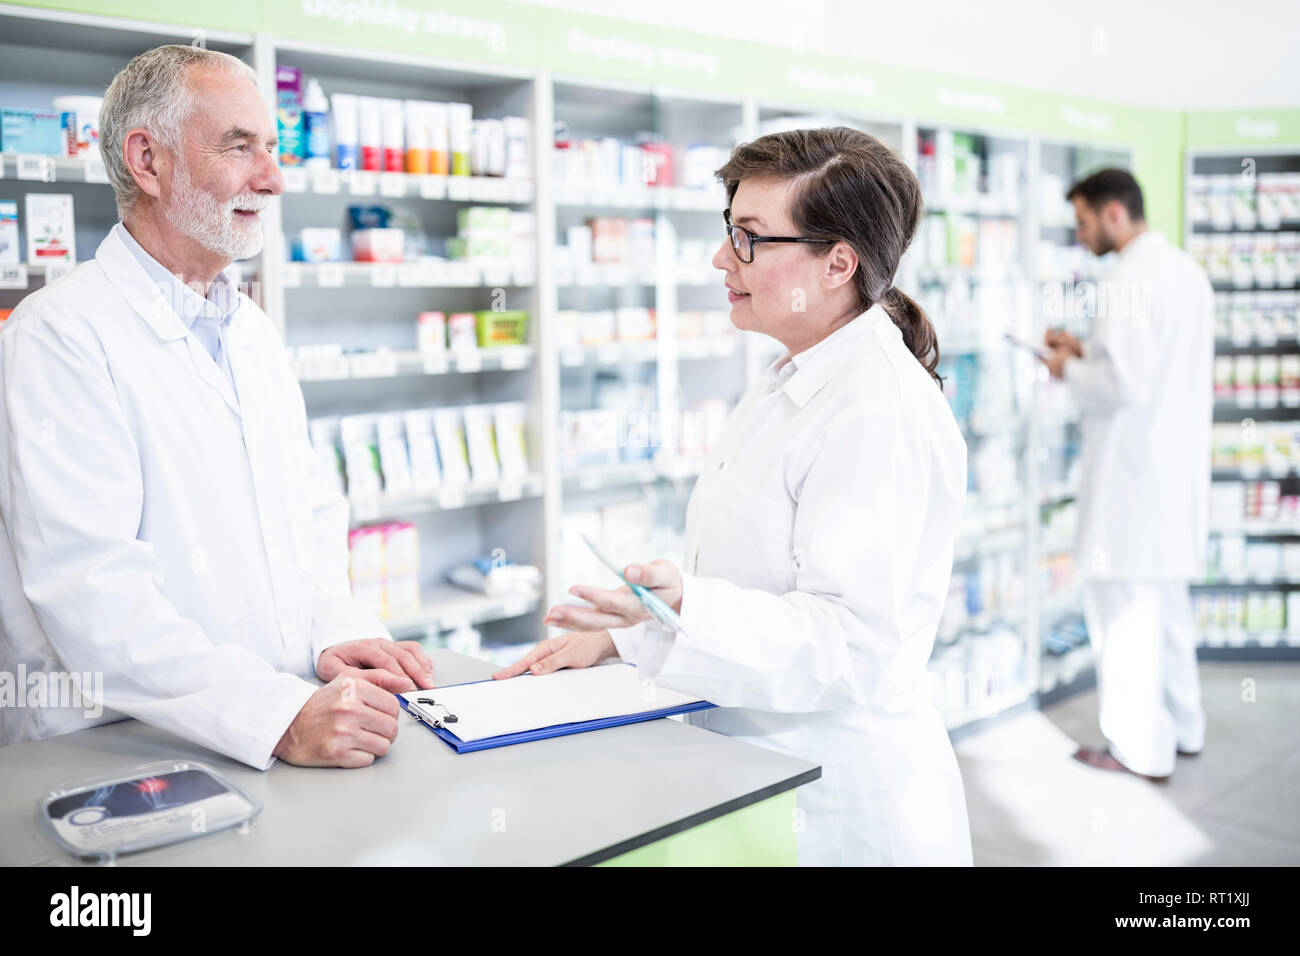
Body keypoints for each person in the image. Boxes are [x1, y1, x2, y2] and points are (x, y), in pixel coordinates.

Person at [496, 128, 972, 866]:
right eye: (729, 231)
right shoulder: (793, 373)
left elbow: (847, 646)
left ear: (837, 263)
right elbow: (758, 586)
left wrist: (681, 609)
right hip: (765, 774)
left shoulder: (878, 409)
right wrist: (630, 638)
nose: (723, 258)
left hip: (842, 805)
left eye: (749, 238)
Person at [0, 45, 434, 770]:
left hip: (269, 728)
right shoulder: (59, 336)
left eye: (272, 148)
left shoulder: (251, 330)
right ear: (148, 160)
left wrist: (335, 631)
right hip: (116, 753)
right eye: (240, 147)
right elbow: (91, 590)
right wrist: (275, 718)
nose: (272, 178)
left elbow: (312, 516)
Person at [1041, 168, 1213, 782]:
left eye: (1083, 221)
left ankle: (1139, 749)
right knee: (1166, 611)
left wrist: (1066, 369)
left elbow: (1124, 385)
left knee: (1125, 618)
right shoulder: (1183, 271)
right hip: (1170, 474)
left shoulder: (1126, 278)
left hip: (1132, 485)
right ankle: (1185, 727)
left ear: (1114, 214)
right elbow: (1153, 365)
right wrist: (1085, 350)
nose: (1080, 234)